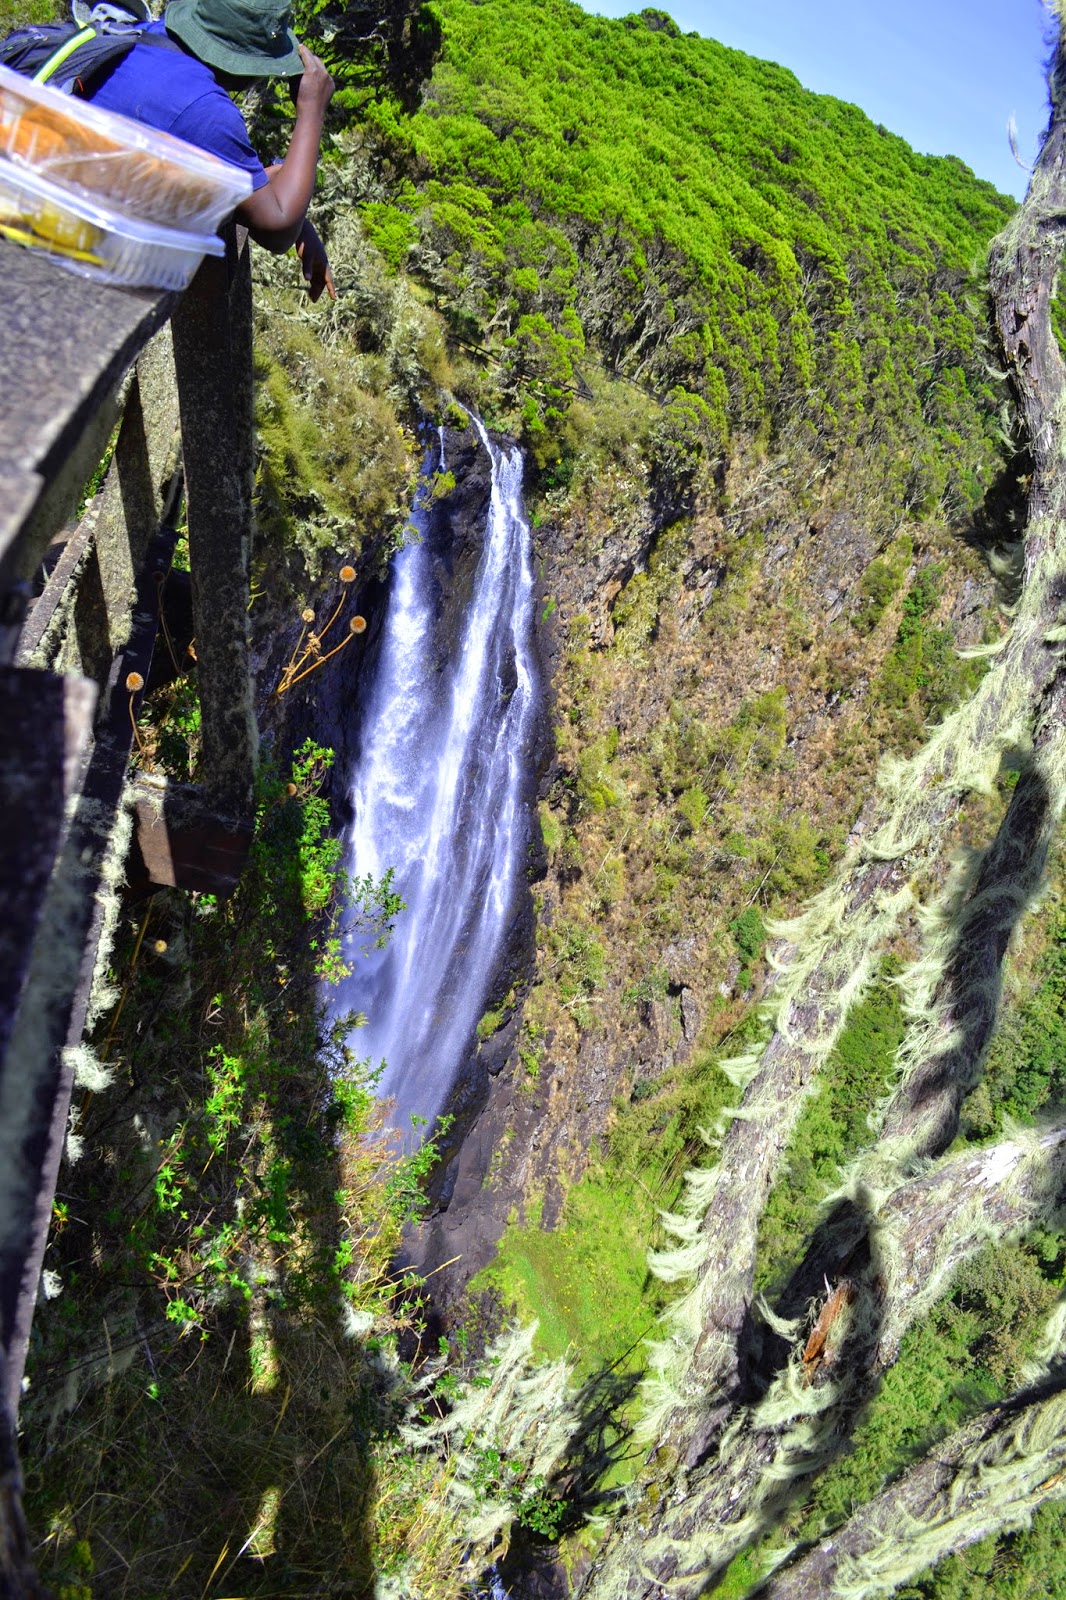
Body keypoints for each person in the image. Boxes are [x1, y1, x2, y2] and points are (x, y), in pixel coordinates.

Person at [86, 0, 336, 300]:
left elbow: (241, 183)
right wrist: (312, 109)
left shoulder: (148, 37)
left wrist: (299, 218)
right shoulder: (204, 110)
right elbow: (278, 228)